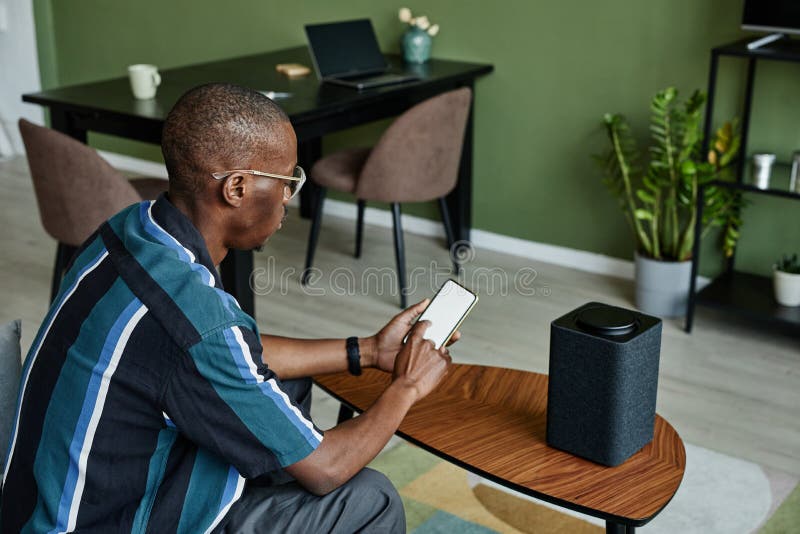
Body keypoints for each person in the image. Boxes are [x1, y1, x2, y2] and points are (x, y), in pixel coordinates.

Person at [1, 83, 455, 533]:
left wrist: (371, 350)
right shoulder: (197, 320)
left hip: (36, 504)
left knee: (285, 390)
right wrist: (407, 386)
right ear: (237, 188)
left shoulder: (129, 228)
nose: (287, 200)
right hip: (105, 521)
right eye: (286, 181)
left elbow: (225, 350)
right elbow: (328, 469)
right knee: (368, 499)